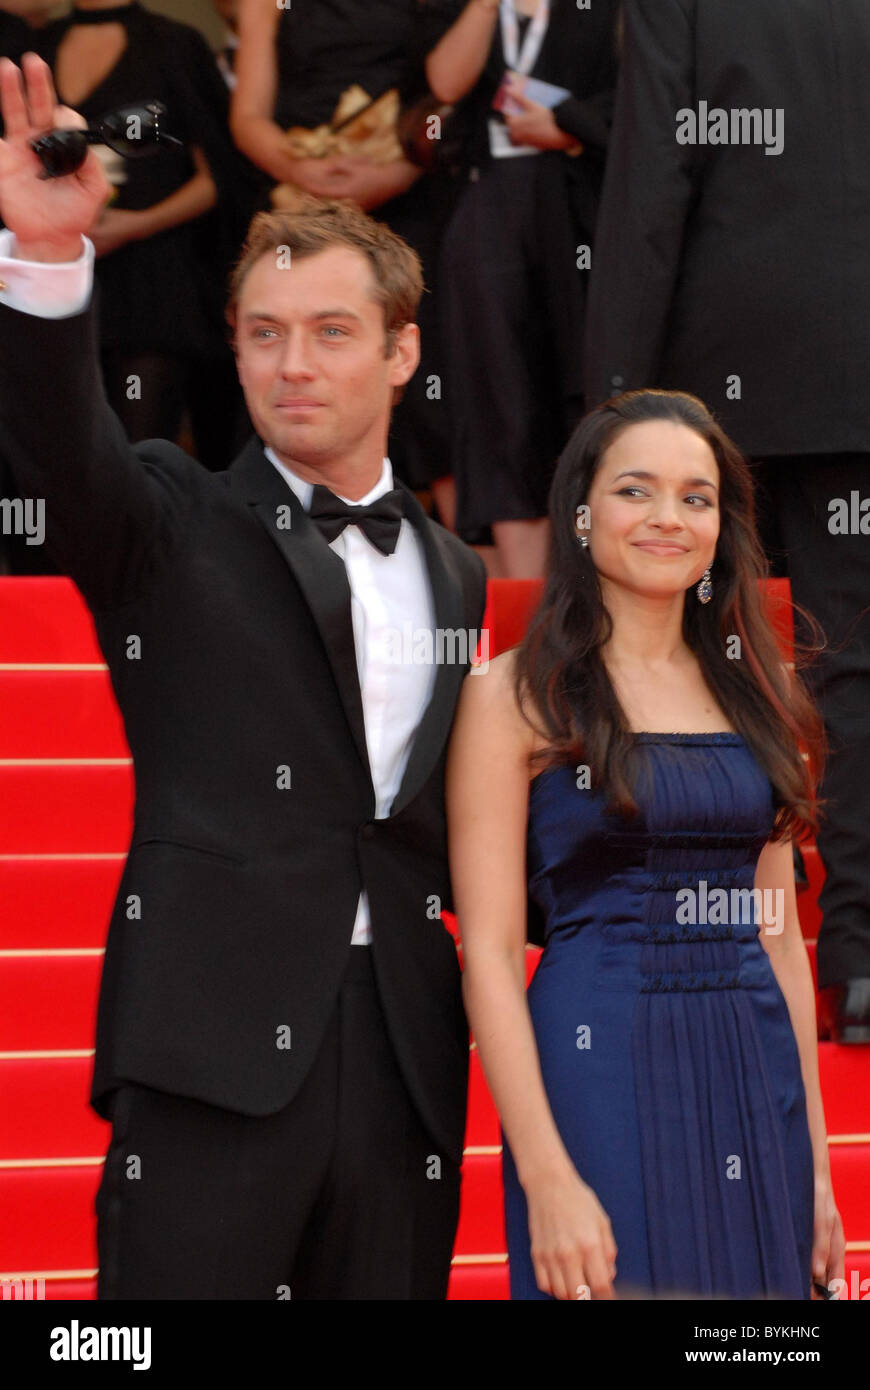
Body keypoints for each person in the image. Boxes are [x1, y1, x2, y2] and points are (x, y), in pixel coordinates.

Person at [0, 51, 487, 1299]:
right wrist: (52, 261)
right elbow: (64, 455)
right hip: (212, 1047)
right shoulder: (165, 519)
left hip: (406, 1060)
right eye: (264, 335)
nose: (294, 363)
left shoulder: (459, 576)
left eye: (332, 332)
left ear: (401, 352)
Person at [446, 389, 845, 1299]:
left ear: (722, 526)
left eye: (696, 498)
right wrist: (545, 1175)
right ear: (581, 515)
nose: (669, 518)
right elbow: (495, 957)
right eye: (637, 491)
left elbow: (780, 933)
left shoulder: (758, 686)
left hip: (752, 1070)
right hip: (601, 1067)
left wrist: (815, 1168)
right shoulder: (513, 697)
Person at [584, 0, 870, 1042]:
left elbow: (651, 184)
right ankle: (862, 948)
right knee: (859, 656)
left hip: (731, 365)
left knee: (711, 642)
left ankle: (724, 922)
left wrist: (614, 400)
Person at [230, 0, 458, 526]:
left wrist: (399, 171)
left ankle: (458, 562)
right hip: (301, 201)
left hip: (414, 196)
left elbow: (451, 97)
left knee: (435, 388)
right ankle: (280, 544)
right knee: (291, 365)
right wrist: (306, 169)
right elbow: (247, 117)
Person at [423, 0, 620, 577]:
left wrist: (570, 127)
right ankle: (526, 603)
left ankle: (598, 585)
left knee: (590, 392)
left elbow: (643, 97)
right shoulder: (461, 9)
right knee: (499, 401)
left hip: (581, 212)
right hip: (489, 209)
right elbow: (443, 83)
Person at [34, 0, 254, 471]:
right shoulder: (34, 50)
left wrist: (137, 224)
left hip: (155, 291)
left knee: (143, 456)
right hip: (62, 287)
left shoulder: (175, 44)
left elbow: (219, 177)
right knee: (59, 457)